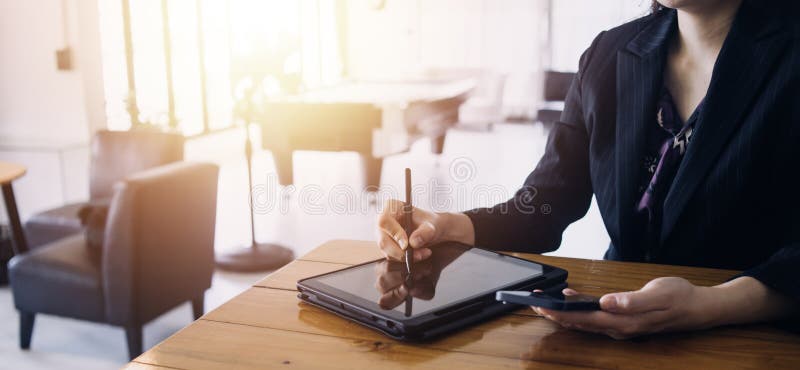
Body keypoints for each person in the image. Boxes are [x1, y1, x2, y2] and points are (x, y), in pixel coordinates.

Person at [376, 0, 799, 339]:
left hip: (756, 337)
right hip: (616, 320)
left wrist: (712, 305)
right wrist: (452, 226)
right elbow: (549, 200)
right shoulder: (608, 55)